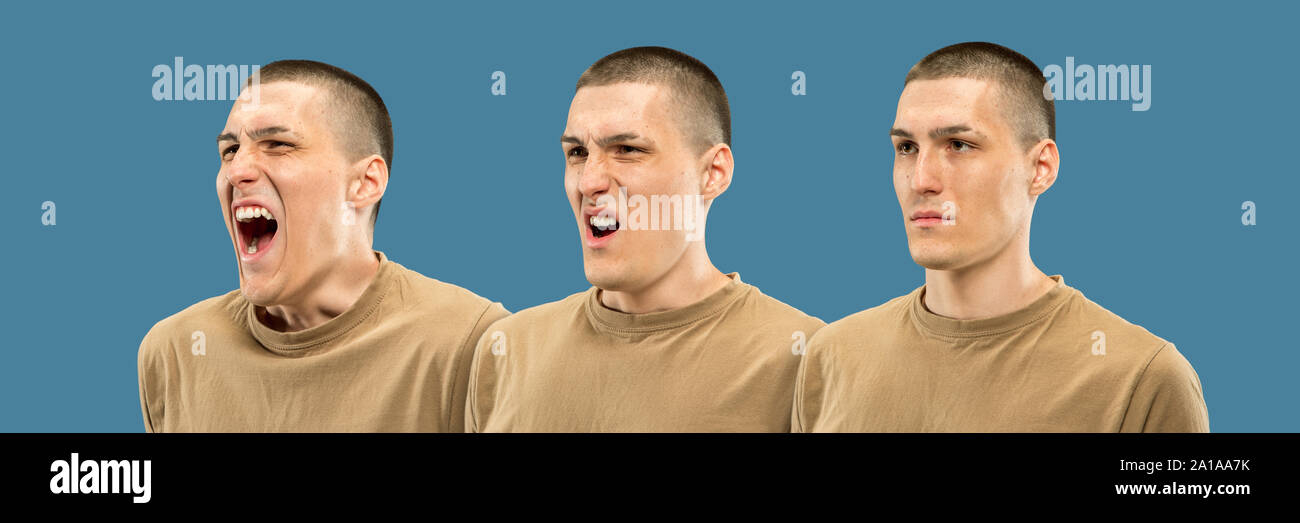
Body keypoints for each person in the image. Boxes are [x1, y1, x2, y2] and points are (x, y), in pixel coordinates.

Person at [793, 42, 1210, 432]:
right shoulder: (831, 356)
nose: (921, 180)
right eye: (906, 148)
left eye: (958, 144)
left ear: (1040, 167)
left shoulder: (1142, 378)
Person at [466, 46, 824, 432]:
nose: (588, 181)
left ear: (713, 172)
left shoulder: (804, 355)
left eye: (627, 150)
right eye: (577, 152)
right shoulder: (506, 350)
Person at [137, 60, 508, 432]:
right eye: (231, 150)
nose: (236, 171)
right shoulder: (175, 351)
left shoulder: (474, 342)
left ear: (365, 182)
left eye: (278, 145)